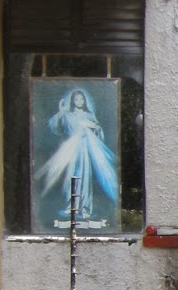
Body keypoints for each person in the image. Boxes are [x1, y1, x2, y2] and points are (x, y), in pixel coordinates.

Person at [37, 87, 119, 224]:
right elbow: (54, 126)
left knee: (85, 178)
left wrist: (95, 128)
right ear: (72, 100)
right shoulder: (68, 115)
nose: (79, 101)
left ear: (85, 100)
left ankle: (86, 207)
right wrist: (61, 112)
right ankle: (72, 205)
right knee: (71, 177)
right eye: (76, 98)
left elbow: (99, 133)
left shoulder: (89, 115)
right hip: (72, 149)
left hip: (85, 150)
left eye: (81, 98)